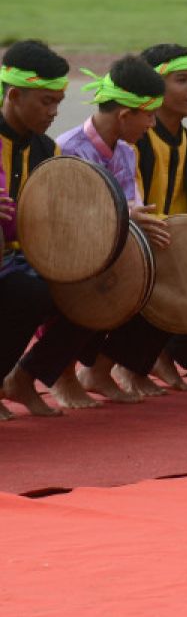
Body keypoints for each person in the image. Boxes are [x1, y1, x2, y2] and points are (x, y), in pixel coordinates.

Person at [41, 56, 172, 407]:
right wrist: (125, 215)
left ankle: (100, 370)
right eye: (149, 115)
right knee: (91, 282)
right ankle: (63, 375)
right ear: (126, 115)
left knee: (160, 267)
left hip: (112, 248)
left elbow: (134, 207)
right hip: (69, 253)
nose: (153, 123)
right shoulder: (68, 149)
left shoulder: (127, 153)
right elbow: (61, 217)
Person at [125, 43, 187, 394]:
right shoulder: (136, 141)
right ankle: (128, 364)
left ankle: (157, 356)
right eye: (183, 80)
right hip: (143, 239)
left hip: (174, 239)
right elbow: (134, 200)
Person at [0, 40, 70, 419]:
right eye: (46, 101)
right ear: (13, 95)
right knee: (29, 289)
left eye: (58, 102)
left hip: (23, 259)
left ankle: (24, 377)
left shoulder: (48, 150)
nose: (54, 111)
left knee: (94, 284)